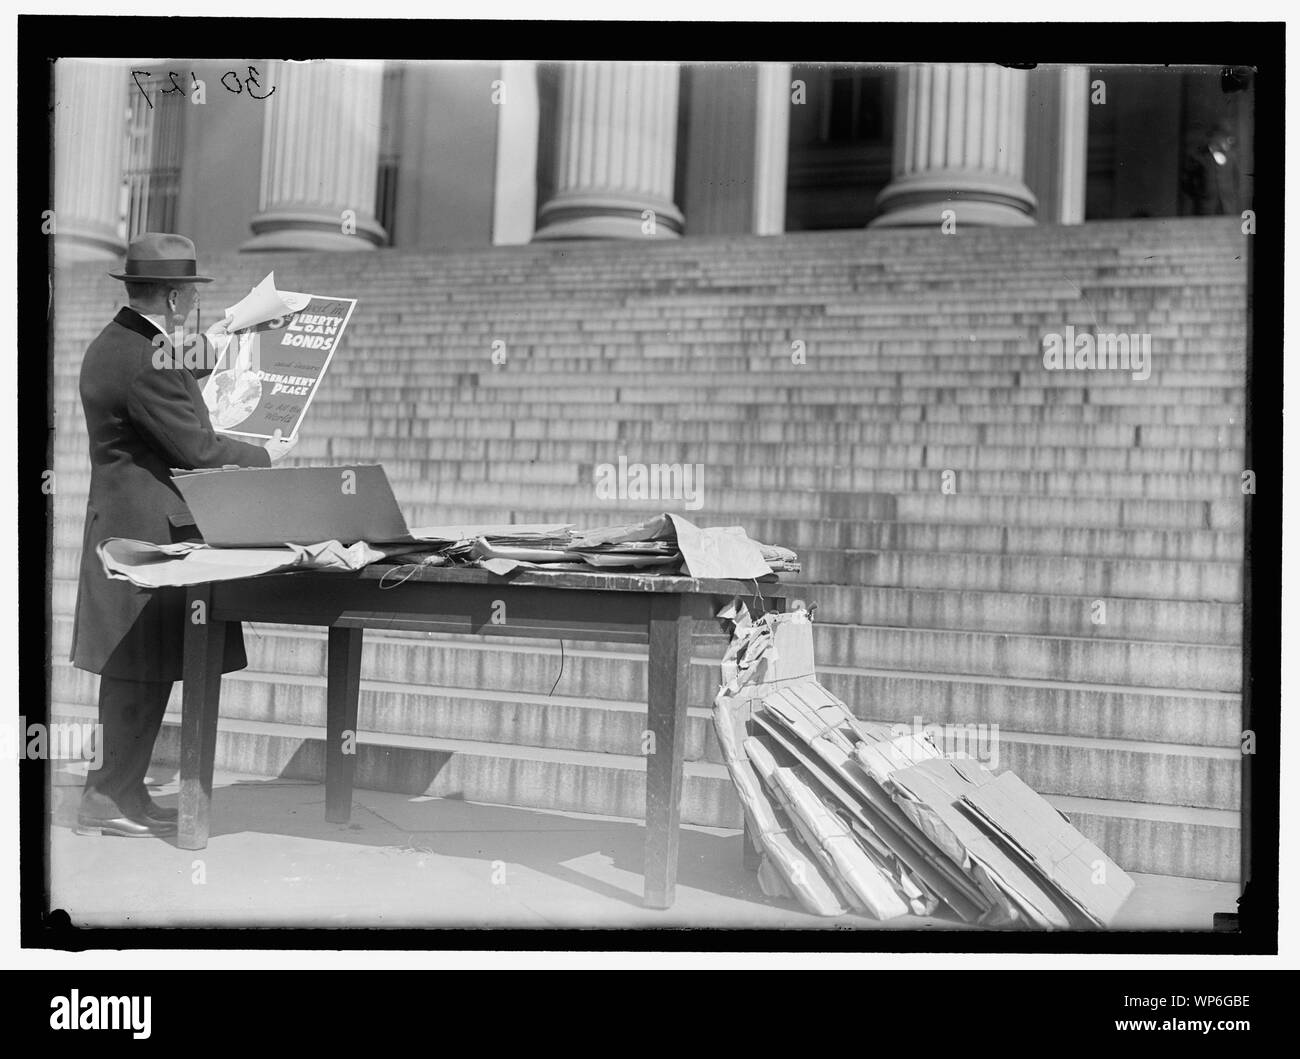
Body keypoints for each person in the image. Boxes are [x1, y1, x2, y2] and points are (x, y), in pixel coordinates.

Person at [70, 232, 298, 838]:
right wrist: (266, 453)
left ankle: (120, 792)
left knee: (142, 670)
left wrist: (228, 332)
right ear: (173, 296)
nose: (188, 305)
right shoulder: (146, 358)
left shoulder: (121, 342)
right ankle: (106, 796)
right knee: (138, 674)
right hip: (148, 539)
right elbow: (196, 447)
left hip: (129, 528)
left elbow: (174, 368)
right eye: (188, 295)